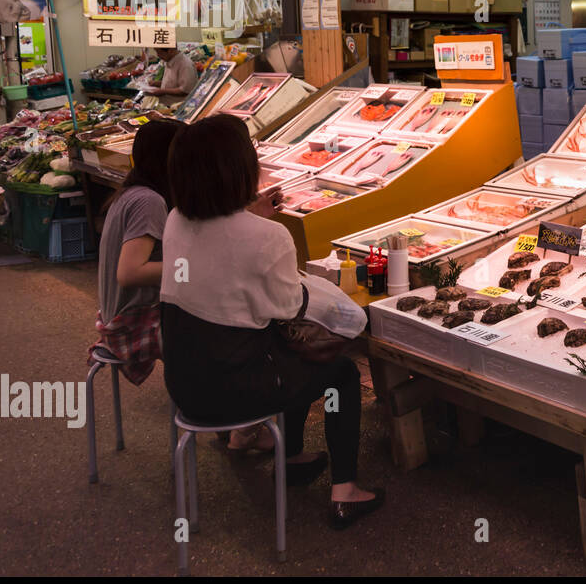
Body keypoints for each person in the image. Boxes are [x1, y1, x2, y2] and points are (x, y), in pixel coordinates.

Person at [160, 114, 384, 529]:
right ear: (239, 168)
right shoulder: (266, 236)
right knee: (339, 372)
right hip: (236, 390)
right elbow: (288, 308)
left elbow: (219, 260)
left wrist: (251, 218)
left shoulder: (175, 219)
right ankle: (345, 491)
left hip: (184, 382)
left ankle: (293, 456)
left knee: (283, 353)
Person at [90, 119, 184, 386]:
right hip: (130, 324)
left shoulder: (132, 192)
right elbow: (130, 273)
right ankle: (232, 420)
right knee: (224, 336)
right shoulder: (149, 201)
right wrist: (189, 269)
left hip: (118, 316)